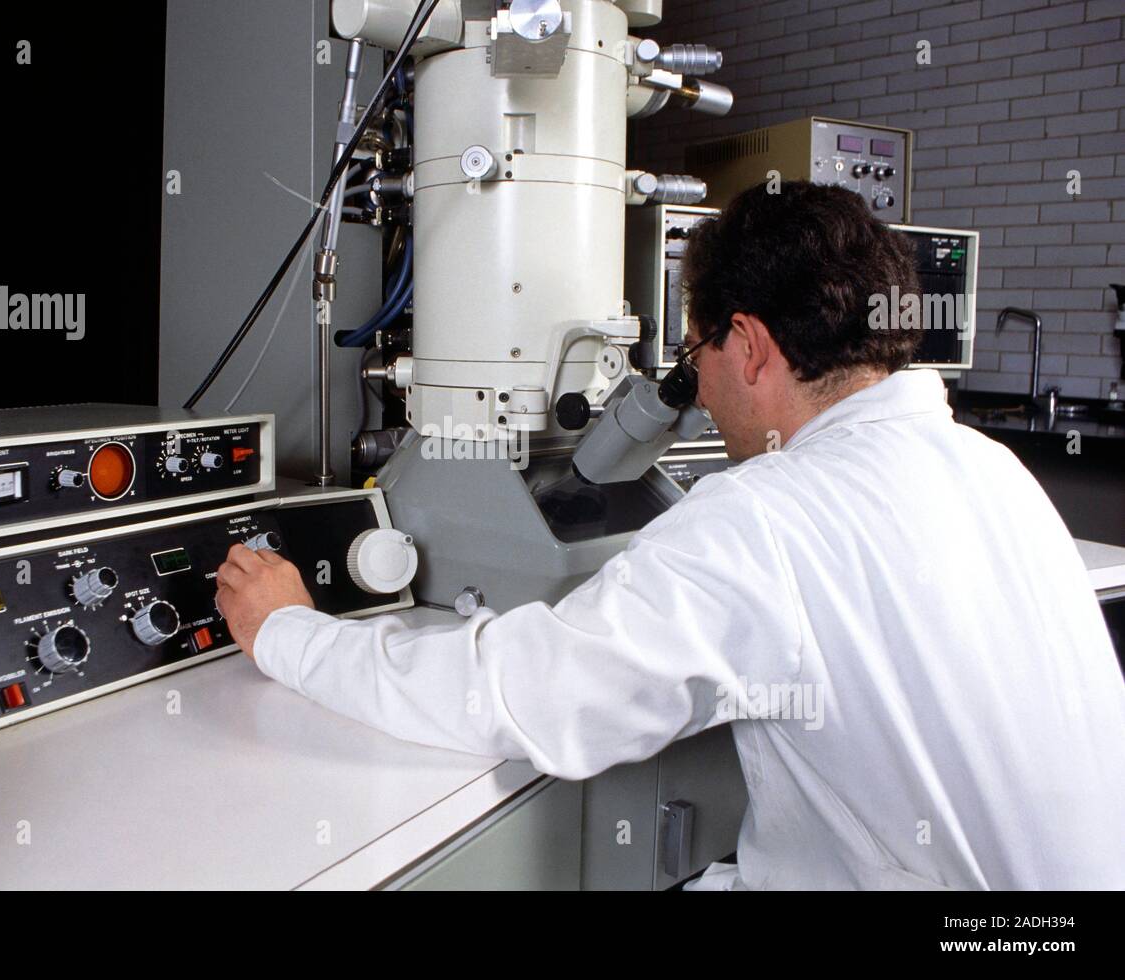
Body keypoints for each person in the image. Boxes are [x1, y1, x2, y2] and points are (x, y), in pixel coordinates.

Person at [215, 181, 1125, 889]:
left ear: (752, 346)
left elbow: (522, 695)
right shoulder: (987, 465)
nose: (703, 391)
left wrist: (291, 632)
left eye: (697, 359)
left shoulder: (770, 515)